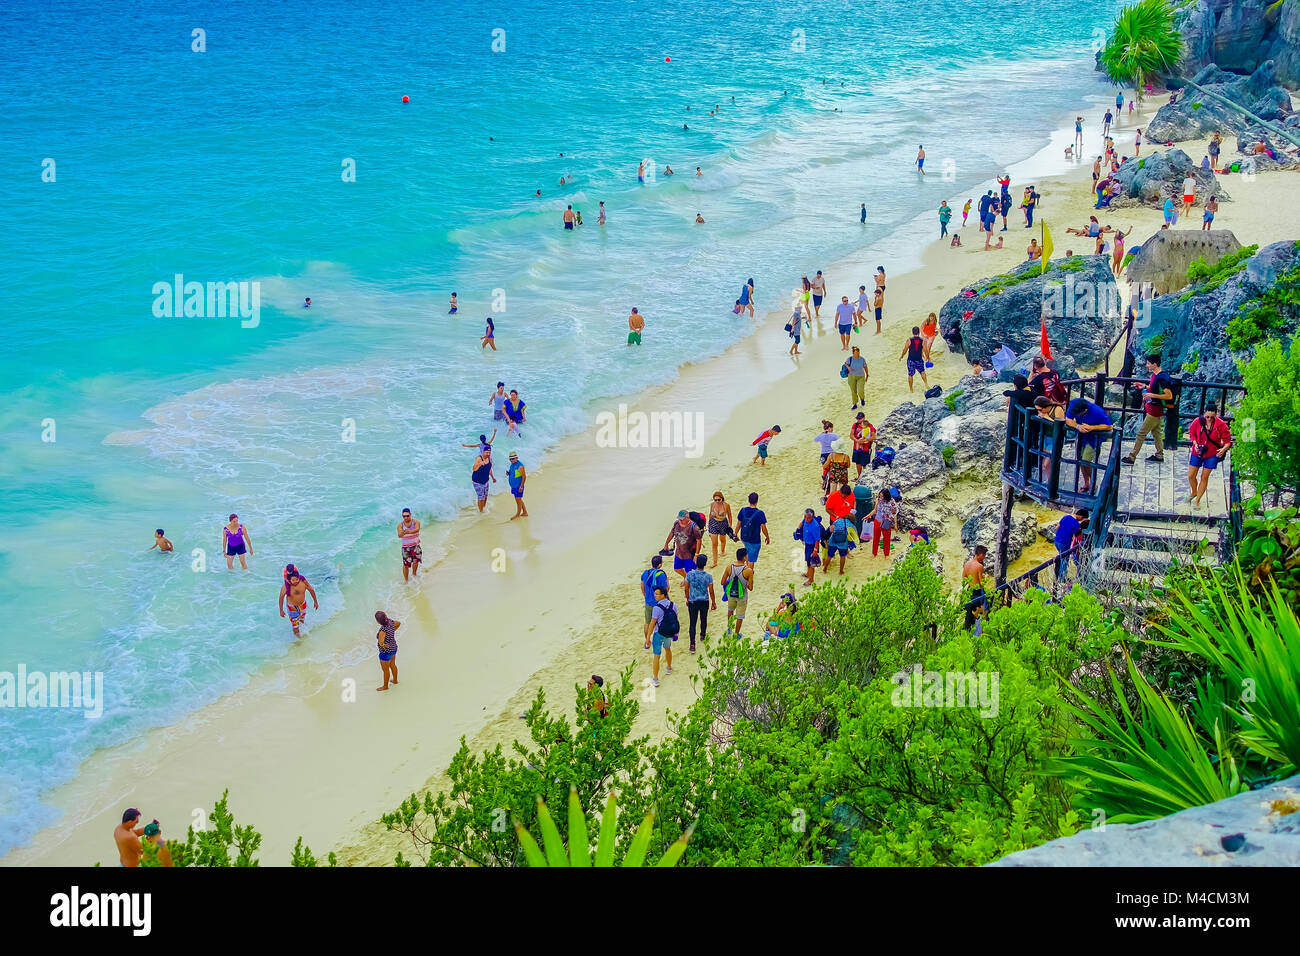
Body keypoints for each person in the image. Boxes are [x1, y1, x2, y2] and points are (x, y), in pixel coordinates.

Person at [1123, 354, 1174, 464]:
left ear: (1154, 364)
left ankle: (1132, 457)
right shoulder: (1155, 375)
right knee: (1157, 434)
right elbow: (1153, 388)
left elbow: (1168, 395)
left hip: (1154, 410)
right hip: (1154, 409)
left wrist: (1151, 395)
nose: (1147, 366)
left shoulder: (1162, 378)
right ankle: (1159, 455)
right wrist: (1144, 387)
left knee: (1141, 434)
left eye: (1148, 363)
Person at [1188, 402, 1232, 510]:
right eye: (1207, 416)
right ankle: (1194, 491)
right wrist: (1194, 443)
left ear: (1216, 415)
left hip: (1212, 453)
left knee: (1204, 477)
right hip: (1198, 450)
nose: (1209, 419)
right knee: (1191, 475)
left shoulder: (1221, 425)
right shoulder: (1198, 421)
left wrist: (1223, 449)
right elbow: (1192, 433)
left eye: (1212, 417)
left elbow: (1227, 441)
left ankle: (1197, 500)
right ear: (1204, 414)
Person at [1065, 397, 1115, 494]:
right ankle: (1087, 483)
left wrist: (1092, 427)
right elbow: (1068, 419)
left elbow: (1109, 426)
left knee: (1086, 460)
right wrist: (1077, 426)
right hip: (1081, 435)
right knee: (1080, 460)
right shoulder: (1074, 404)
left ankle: (1093, 483)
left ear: (1085, 410)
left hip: (1093, 438)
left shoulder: (1097, 411)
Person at [682, 553, 716, 653]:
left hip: (693, 600)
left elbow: (686, 588)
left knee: (692, 623)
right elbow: (711, 591)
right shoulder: (708, 576)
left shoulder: (690, 574)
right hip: (704, 601)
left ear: (696, 562)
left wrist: (687, 599)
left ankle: (692, 644)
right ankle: (703, 635)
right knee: (703, 619)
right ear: (705, 564)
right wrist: (713, 602)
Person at [1003, 374, 1037, 472]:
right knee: (1032, 440)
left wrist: (1012, 394)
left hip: (1027, 421)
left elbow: (1006, 392)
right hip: (1033, 420)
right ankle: (1031, 461)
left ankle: (1024, 463)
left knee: (1025, 440)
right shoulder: (1032, 390)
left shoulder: (1021, 394)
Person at [645, 585, 678, 687]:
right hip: (668, 633)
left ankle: (655, 679)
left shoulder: (656, 608)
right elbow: (675, 619)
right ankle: (668, 668)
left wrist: (648, 638)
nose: (655, 596)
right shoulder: (673, 604)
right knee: (668, 649)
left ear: (663, 595)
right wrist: (675, 633)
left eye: (657, 594)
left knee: (657, 655)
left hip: (658, 633)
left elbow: (652, 623)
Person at [720, 547, 754, 638]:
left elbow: (722, 582)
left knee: (730, 610)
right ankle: (736, 634)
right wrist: (745, 583)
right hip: (742, 596)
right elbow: (750, 588)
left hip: (731, 594)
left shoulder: (729, 567)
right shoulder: (748, 571)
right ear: (744, 558)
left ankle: (729, 629)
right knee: (740, 616)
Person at [279, 567, 319, 638]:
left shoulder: (303, 582)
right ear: (289, 580)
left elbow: (311, 590)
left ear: (299, 578)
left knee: (301, 621)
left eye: (296, 579)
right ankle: (299, 641)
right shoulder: (286, 586)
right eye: (293, 580)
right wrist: (281, 610)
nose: (295, 581)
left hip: (302, 605)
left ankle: (303, 633)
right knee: (295, 626)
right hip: (292, 608)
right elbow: (281, 597)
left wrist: (315, 602)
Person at [663, 510, 703, 579]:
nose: (680, 520)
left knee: (689, 571)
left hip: (689, 553)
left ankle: (689, 581)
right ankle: (686, 578)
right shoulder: (676, 524)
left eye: (682, 519)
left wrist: (696, 554)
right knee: (677, 569)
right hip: (679, 552)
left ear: (687, 518)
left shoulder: (694, 527)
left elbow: (699, 541)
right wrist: (666, 543)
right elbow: (672, 533)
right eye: (679, 518)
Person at [640, 555, 669, 645]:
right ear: (660, 565)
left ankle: (647, 641)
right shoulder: (661, 574)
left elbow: (642, 587)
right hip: (659, 603)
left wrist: (646, 596)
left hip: (648, 602)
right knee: (661, 622)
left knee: (647, 622)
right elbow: (666, 589)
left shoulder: (645, 573)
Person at [1053, 509, 1087, 586]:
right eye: (1082, 518)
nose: (1081, 520)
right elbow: (1076, 535)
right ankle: (1061, 578)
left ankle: (1058, 575)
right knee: (1065, 560)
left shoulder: (1066, 517)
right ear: (1080, 516)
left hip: (1057, 541)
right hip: (1065, 543)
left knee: (1061, 557)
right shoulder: (1076, 524)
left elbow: (1057, 527)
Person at [865, 487, 898, 558]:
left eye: (882, 496)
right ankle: (874, 553)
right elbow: (875, 510)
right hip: (877, 521)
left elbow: (894, 514)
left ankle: (886, 555)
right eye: (880, 496)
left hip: (886, 522)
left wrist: (895, 524)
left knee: (886, 539)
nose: (881, 497)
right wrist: (868, 515)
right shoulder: (878, 500)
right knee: (876, 539)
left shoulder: (892, 502)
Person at [794, 509, 824, 585]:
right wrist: (798, 528)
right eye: (805, 517)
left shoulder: (815, 526)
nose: (806, 519)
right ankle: (808, 574)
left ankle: (811, 580)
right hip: (807, 544)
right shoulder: (805, 519)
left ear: (812, 517)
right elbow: (802, 522)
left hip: (812, 546)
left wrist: (815, 551)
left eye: (808, 518)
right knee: (807, 561)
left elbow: (817, 539)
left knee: (811, 564)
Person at [825, 507, 856, 575]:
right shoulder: (851, 525)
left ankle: (825, 569)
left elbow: (831, 529)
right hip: (843, 542)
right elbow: (853, 536)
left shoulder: (838, 520)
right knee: (842, 556)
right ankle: (841, 571)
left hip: (833, 540)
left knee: (829, 555)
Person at [706, 491, 734, 566]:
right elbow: (710, 514)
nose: (717, 501)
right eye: (715, 500)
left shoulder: (726, 505)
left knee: (722, 540)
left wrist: (730, 525)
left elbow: (730, 516)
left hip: (723, 523)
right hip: (713, 523)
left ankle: (722, 551)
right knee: (714, 544)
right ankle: (715, 562)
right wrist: (708, 525)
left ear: (722, 499)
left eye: (719, 500)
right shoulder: (712, 505)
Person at [374, 611, 401, 691]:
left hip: (386, 653)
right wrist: (392, 631)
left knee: (385, 670)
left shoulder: (383, 630)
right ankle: (395, 681)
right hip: (393, 648)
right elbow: (398, 623)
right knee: (393, 665)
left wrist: (384, 645)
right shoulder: (391, 622)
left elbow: (381, 642)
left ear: (378, 621)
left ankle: (385, 686)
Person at [963, 546, 988, 629]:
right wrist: (986, 578)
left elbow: (964, 578)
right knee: (984, 611)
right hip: (978, 592)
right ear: (980, 554)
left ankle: (967, 630)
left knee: (969, 614)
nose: (984, 558)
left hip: (969, 590)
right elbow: (982, 583)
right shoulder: (979, 566)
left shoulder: (966, 564)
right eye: (984, 555)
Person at [900, 326, 928, 392]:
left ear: (912, 332)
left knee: (910, 374)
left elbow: (905, 349)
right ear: (919, 332)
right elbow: (925, 349)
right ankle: (926, 384)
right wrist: (927, 357)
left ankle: (911, 389)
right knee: (922, 371)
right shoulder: (922, 340)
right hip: (919, 359)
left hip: (911, 360)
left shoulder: (909, 340)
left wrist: (902, 356)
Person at [397, 508, 422, 580]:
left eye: (407, 516)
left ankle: (414, 575)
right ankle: (406, 580)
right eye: (404, 516)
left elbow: (417, 529)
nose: (405, 517)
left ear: (410, 514)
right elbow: (399, 535)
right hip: (405, 548)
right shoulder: (400, 525)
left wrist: (409, 532)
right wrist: (403, 533)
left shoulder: (416, 522)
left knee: (416, 562)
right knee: (405, 565)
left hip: (415, 546)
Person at [850, 412, 875, 478]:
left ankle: (864, 477)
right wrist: (857, 440)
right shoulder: (855, 425)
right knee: (857, 463)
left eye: (859, 419)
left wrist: (865, 441)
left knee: (865, 464)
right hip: (856, 447)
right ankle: (859, 476)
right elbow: (851, 435)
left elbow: (874, 436)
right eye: (857, 419)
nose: (858, 420)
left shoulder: (869, 426)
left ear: (863, 418)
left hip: (866, 448)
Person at [506, 452, 528, 519]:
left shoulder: (520, 466)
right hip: (514, 486)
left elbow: (524, 477)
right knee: (519, 499)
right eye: (510, 459)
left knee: (518, 500)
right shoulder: (512, 464)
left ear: (516, 458)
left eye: (513, 459)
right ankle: (525, 512)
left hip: (518, 486)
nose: (511, 460)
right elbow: (514, 473)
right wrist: (508, 473)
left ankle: (518, 514)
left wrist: (521, 487)